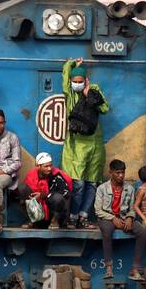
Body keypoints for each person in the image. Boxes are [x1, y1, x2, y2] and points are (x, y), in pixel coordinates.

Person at [62, 59, 108, 227]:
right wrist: (73, 64)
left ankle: (83, 216)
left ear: (86, 80)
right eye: (75, 82)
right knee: (79, 184)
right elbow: (65, 72)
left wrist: (89, 94)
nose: (77, 84)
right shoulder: (70, 93)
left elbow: (105, 109)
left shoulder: (94, 90)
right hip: (76, 145)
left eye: (80, 82)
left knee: (92, 183)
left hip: (95, 145)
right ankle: (73, 216)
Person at [94, 159, 136, 280]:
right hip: (106, 218)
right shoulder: (102, 188)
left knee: (142, 232)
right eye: (117, 172)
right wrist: (113, 218)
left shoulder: (130, 188)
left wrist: (129, 217)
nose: (121, 175)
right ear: (110, 172)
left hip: (123, 218)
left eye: (123, 172)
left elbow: (133, 208)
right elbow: (98, 211)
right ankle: (108, 267)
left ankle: (136, 268)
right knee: (107, 231)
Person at [22, 152, 72, 228]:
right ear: (38, 166)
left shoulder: (57, 176)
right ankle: (32, 220)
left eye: (50, 165)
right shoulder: (31, 175)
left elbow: (66, 193)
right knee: (23, 189)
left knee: (57, 198)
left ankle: (54, 222)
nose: (49, 168)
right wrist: (34, 198)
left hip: (54, 213)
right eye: (46, 166)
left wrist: (43, 195)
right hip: (39, 213)